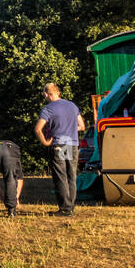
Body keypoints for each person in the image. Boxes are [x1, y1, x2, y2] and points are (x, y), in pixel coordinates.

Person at [35, 83, 85, 216]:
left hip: (58, 145)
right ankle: (71, 206)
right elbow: (82, 126)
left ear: (47, 94)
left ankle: (65, 208)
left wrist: (45, 142)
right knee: (71, 176)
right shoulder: (72, 106)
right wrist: (68, 130)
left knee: (60, 176)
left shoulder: (48, 109)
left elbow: (38, 129)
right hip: (72, 144)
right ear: (58, 92)